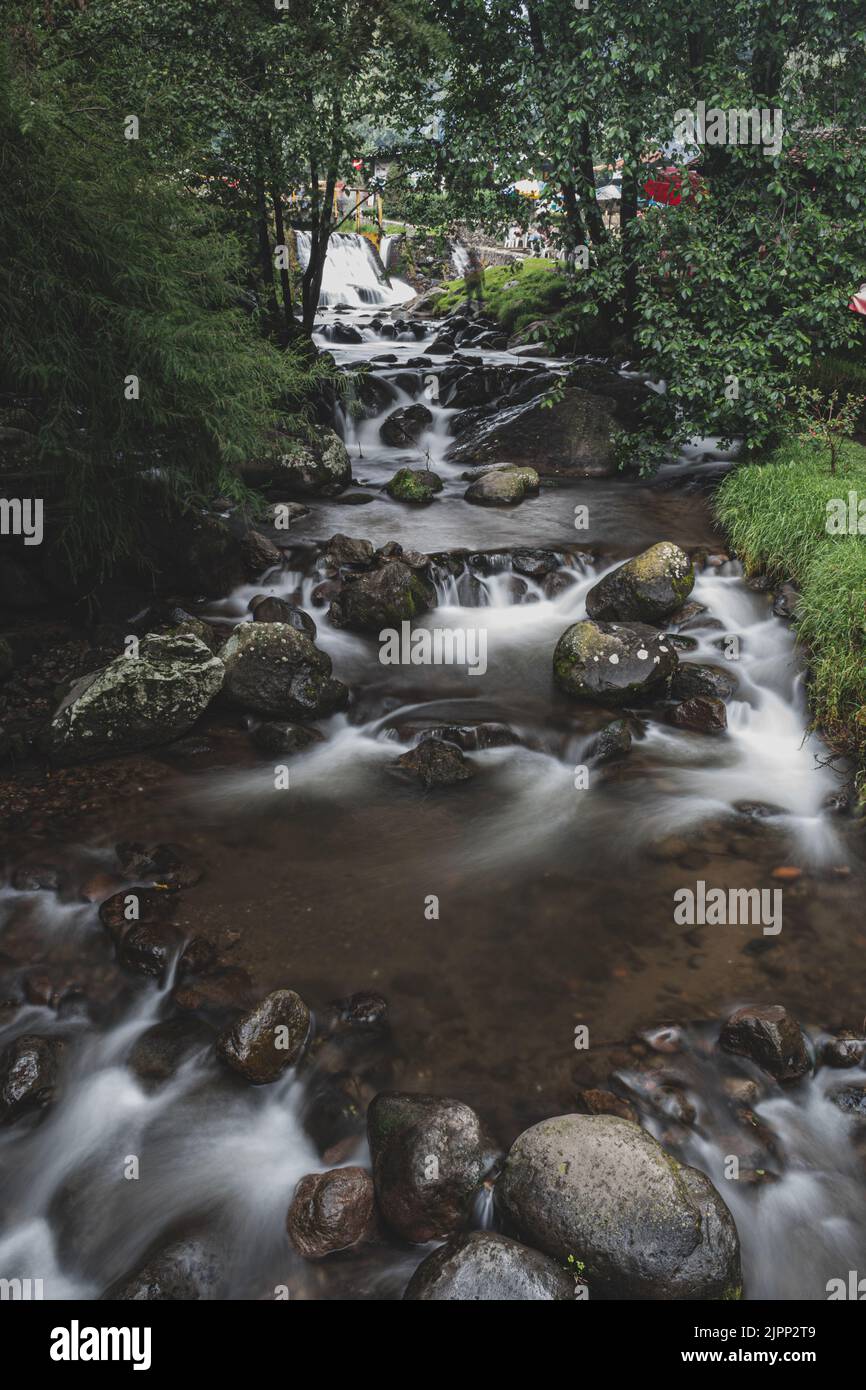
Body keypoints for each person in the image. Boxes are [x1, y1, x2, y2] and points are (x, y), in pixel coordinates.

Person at [464, 246, 485, 313]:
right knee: (469, 298)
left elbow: (482, 272)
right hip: (470, 283)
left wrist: (483, 281)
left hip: (477, 282)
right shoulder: (467, 265)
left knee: (479, 296)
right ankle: (467, 311)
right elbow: (465, 274)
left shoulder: (478, 264)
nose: (473, 259)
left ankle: (480, 311)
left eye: (474, 257)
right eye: (472, 258)